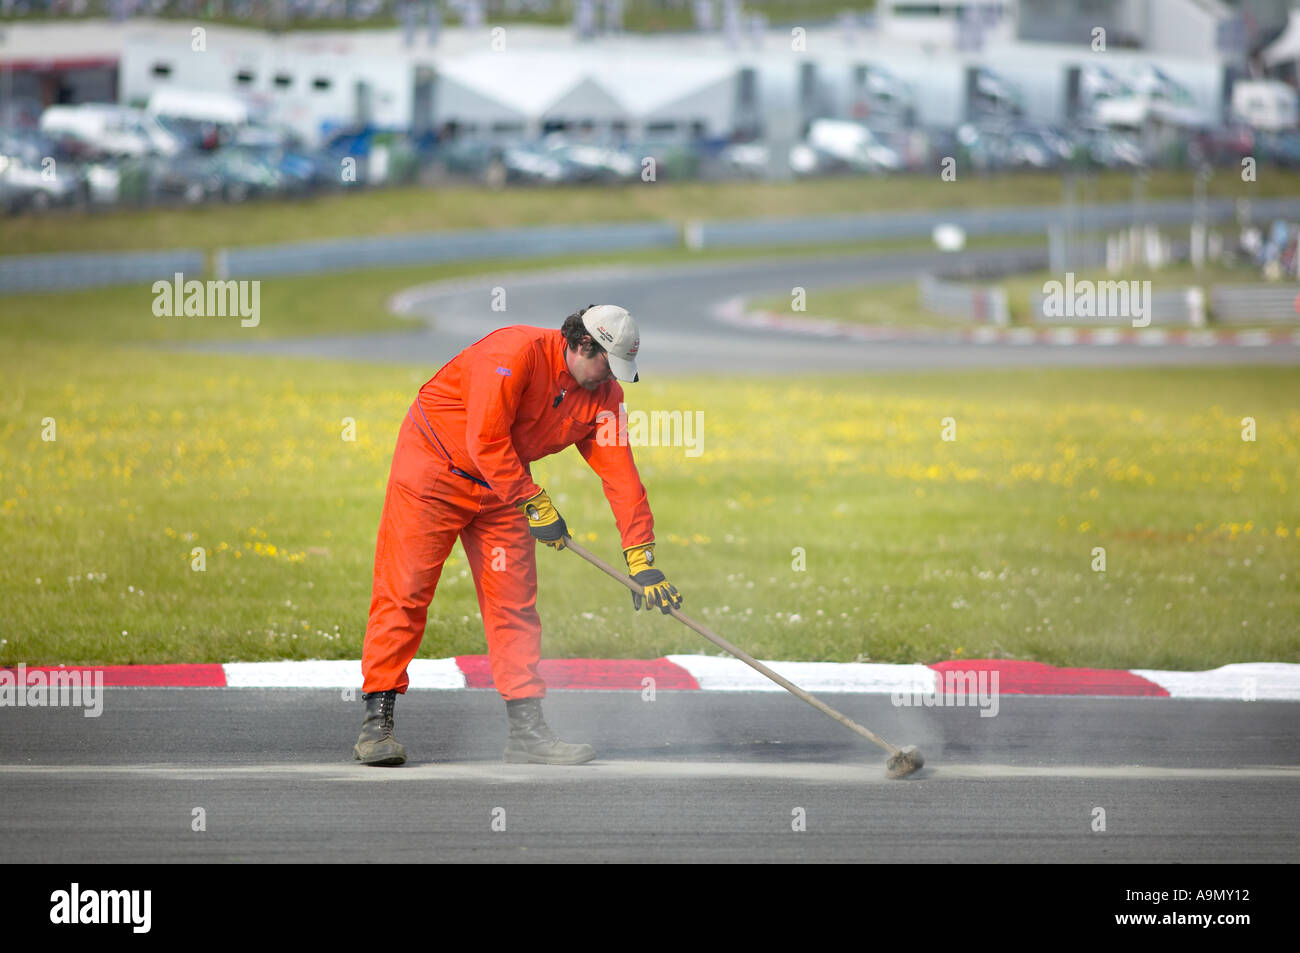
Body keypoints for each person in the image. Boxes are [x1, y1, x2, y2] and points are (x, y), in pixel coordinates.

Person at [354, 304, 682, 766]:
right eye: (607, 365)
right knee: (405, 592)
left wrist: (641, 559)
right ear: (584, 344)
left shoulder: (603, 395)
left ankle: (527, 732)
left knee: (515, 606)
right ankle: (376, 725)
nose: (609, 378)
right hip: (433, 473)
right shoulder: (513, 353)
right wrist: (532, 501)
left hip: (505, 487)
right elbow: (485, 440)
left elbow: (621, 476)